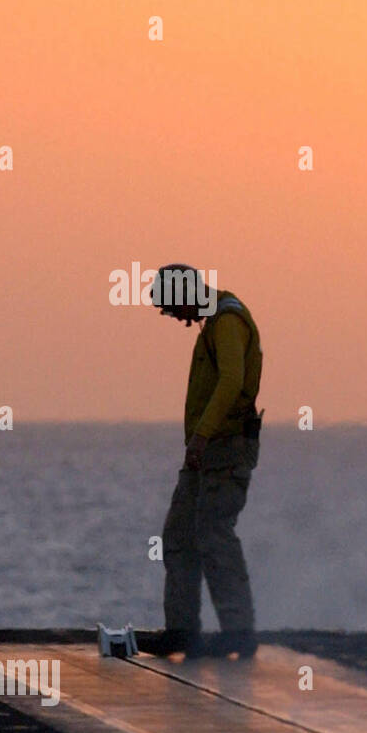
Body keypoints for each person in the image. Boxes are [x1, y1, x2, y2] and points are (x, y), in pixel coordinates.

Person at [150, 264, 264, 659]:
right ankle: (181, 631)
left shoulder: (227, 321)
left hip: (224, 447)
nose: (177, 319)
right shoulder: (211, 324)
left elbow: (231, 381)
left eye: (172, 308)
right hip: (205, 453)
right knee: (179, 537)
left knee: (215, 535)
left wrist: (201, 435)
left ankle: (239, 633)